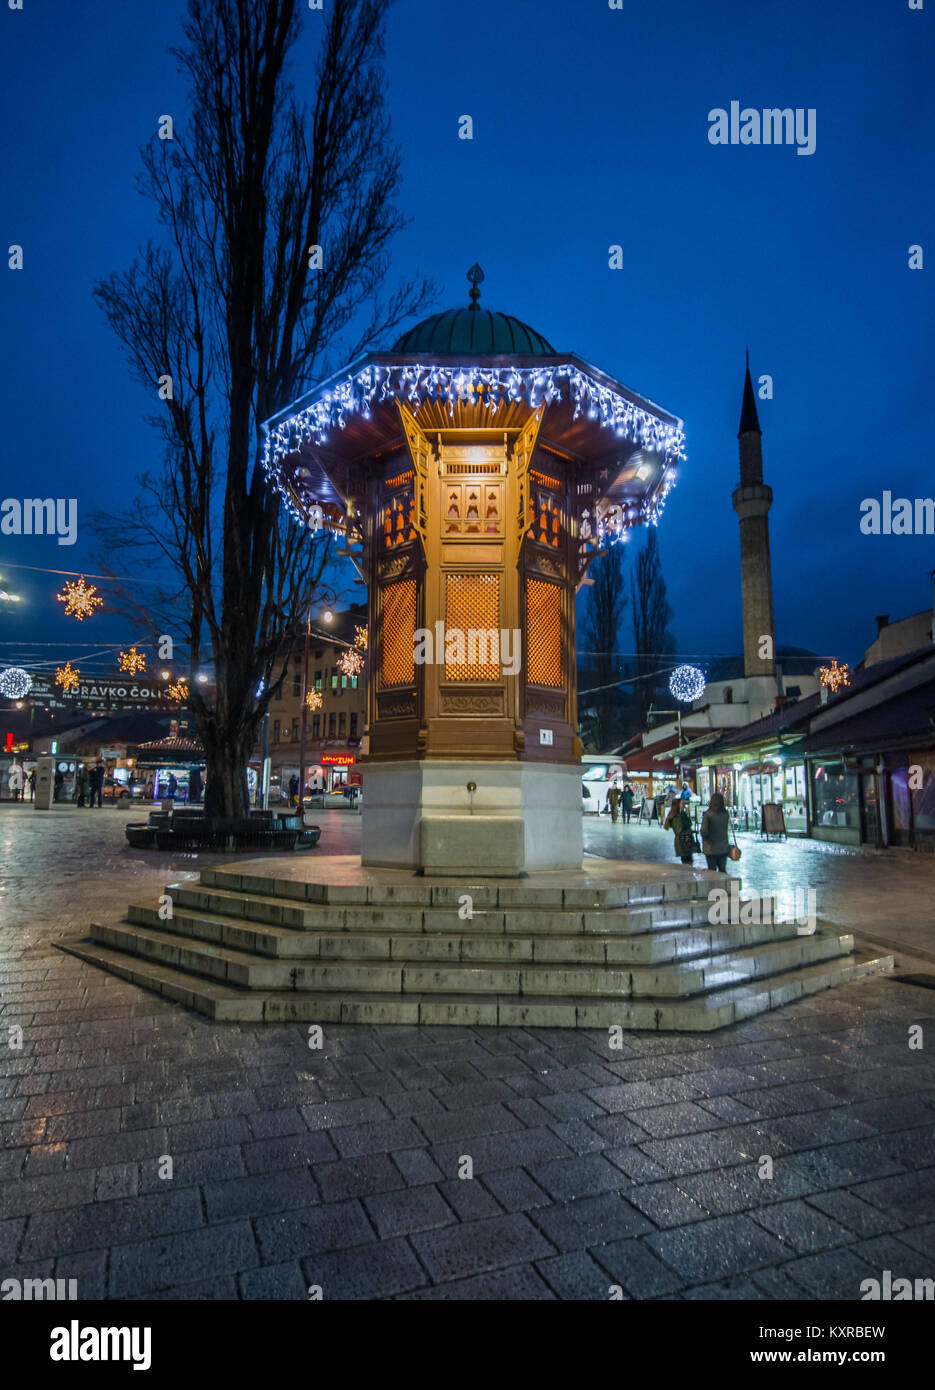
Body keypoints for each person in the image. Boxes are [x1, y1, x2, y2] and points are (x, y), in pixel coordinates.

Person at [700, 791, 731, 872]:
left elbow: (704, 831)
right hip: (723, 847)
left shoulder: (707, 815)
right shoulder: (725, 814)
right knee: (722, 870)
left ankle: (715, 885)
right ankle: (725, 884)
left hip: (710, 848)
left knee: (712, 872)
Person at [664, 797, 695, 865]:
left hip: (683, 840)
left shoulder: (678, 815)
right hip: (684, 840)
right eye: (682, 804)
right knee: (687, 860)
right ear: (677, 805)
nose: (683, 805)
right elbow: (680, 829)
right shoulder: (678, 816)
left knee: (687, 859)